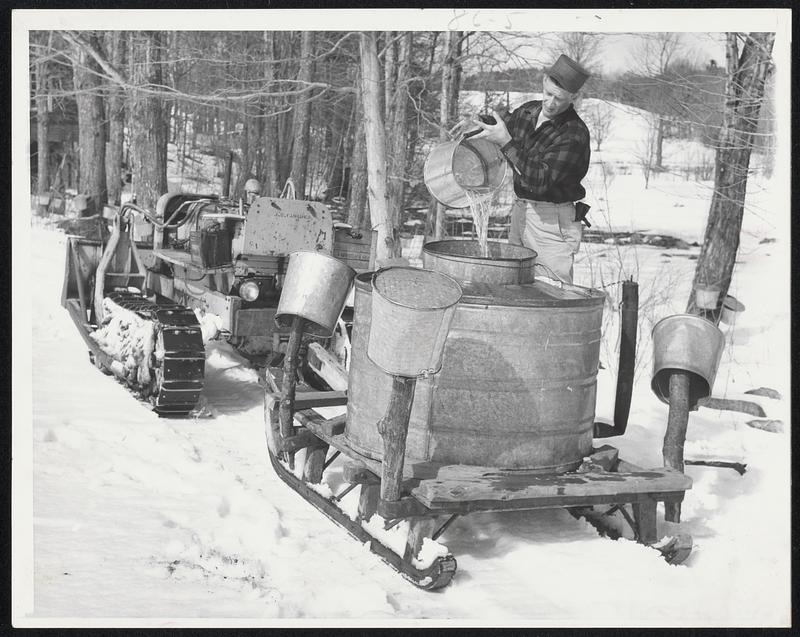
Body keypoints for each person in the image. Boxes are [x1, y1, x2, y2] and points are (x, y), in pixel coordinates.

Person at [472, 54, 591, 283]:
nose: (550, 103)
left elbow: (539, 179)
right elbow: (505, 129)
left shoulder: (573, 133)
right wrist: (483, 125)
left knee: (551, 291)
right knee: (514, 285)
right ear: (544, 82)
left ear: (573, 97)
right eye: (548, 93)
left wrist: (505, 141)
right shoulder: (528, 112)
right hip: (521, 211)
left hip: (552, 222)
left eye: (559, 98)